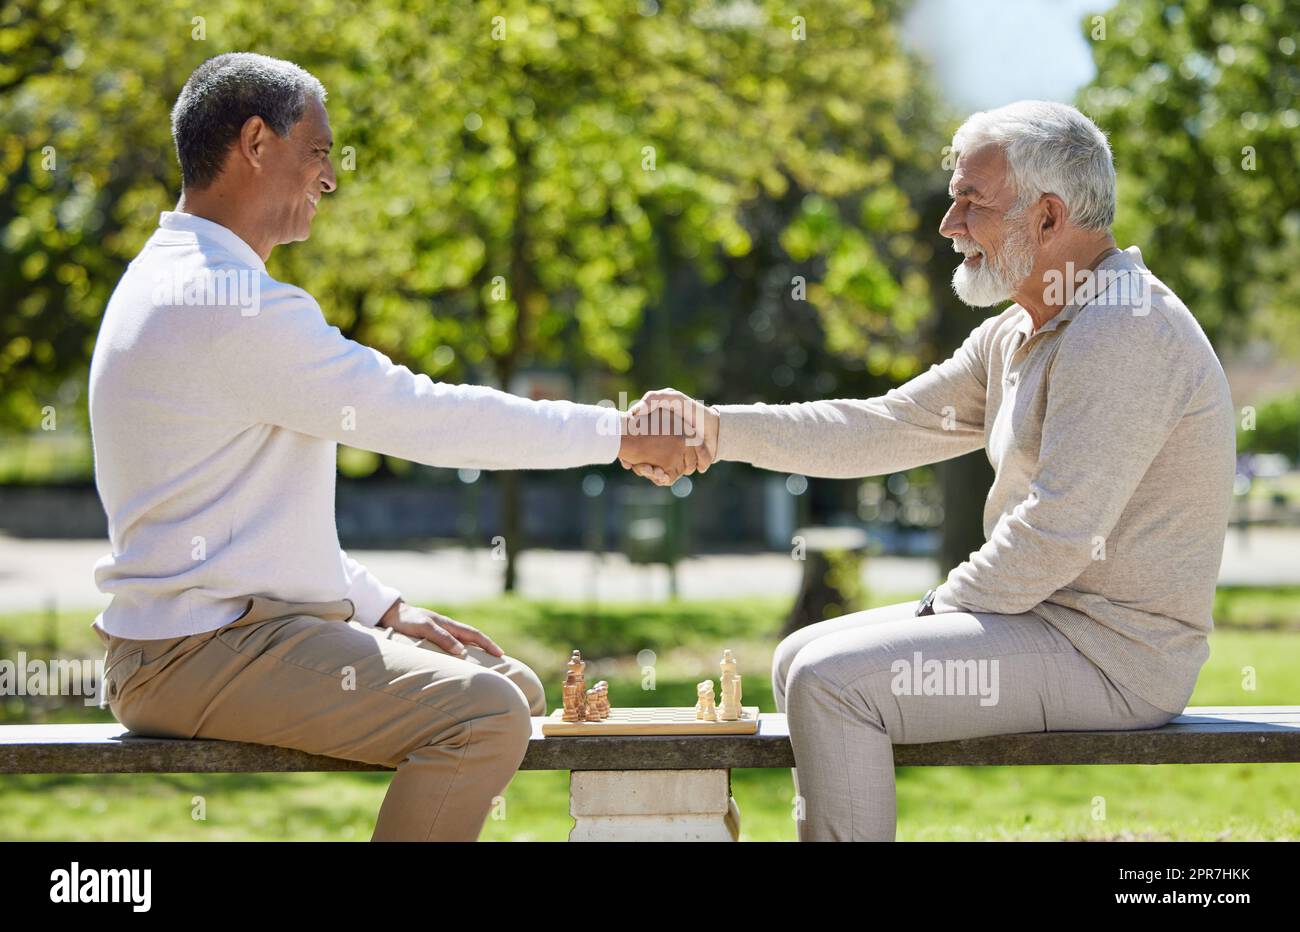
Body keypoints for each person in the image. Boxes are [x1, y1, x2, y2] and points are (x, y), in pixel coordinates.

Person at [88, 52, 687, 842]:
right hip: (193, 654)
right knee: (483, 716)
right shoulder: (223, 300)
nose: (329, 179)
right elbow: (421, 415)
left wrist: (385, 609)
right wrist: (616, 433)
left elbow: (242, 522)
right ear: (257, 143)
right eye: (319, 153)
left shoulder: (179, 277)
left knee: (506, 683)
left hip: (217, 640)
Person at [628, 100, 1237, 841]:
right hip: (1046, 623)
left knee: (831, 683)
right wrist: (717, 429)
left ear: (1048, 219)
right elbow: (884, 426)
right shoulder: (1024, 326)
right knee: (797, 658)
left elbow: (1058, 531)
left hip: (1114, 658)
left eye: (971, 202)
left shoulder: (1122, 329)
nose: (949, 225)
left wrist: (934, 611)